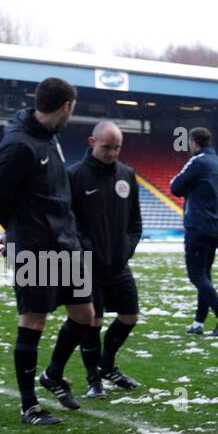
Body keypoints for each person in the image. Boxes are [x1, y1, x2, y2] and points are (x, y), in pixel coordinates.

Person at [0, 76, 90, 426]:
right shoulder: (18, 145)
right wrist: (14, 230)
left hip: (66, 242)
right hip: (36, 246)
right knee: (34, 320)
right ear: (66, 106)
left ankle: (52, 375)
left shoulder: (51, 137)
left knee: (85, 314)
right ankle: (29, 406)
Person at [68, 119, 143, 399]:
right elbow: (68, 222)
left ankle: (107, 365)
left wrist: (127, 248)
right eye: (107, 147)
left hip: (118, 263)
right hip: (87, 266)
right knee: (92, 323)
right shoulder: (74, 176)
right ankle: (92, 379)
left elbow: (135, 222)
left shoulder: (127, 175)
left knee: (130, 316)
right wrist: (84, 249)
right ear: (92, 142)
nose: (112, 152)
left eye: (117, 148)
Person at [170, 127, 218, 336]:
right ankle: (198, 323)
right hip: (216, 226)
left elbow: (175, 186)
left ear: (194, 142)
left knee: (196, 275)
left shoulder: (197, 161)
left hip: (198, 225)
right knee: (204, 275)